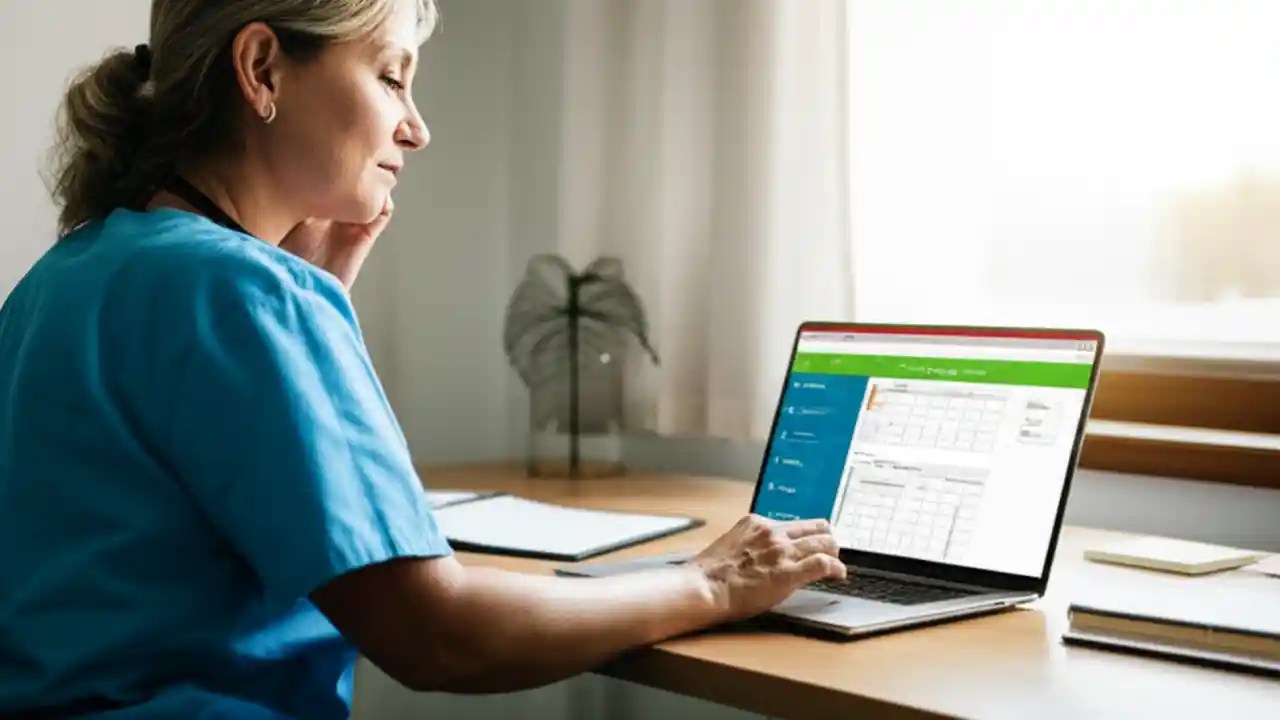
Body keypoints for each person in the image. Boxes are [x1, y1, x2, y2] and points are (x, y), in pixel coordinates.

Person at [0, 1, 845, 717]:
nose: (417, 126)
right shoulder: (243, 295)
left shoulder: (66, 275)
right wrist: (710, 584)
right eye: (391, 76)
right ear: (261, 68)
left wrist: (314, 297)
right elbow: (439, 636)